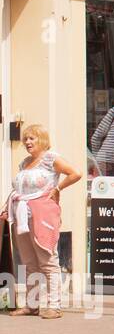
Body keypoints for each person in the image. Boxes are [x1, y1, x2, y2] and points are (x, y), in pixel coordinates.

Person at [1, 124, 81, 318]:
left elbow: (75, 174)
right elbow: (19, 191)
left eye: (32, 139)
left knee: (47, 261)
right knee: (29, 263)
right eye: (26, 139)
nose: (28, 143)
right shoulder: (24, 163)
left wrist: (57, 188)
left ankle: (54, 306)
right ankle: (32, 305)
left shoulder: (50, 158)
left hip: (43, 215)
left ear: (42, 140)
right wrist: (6, 207)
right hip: (21, 216)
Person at [89, 102, 114, 178]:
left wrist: (98, 159)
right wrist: (97, 159)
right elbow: (96, 137)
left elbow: (96, 137)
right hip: (108, 163)